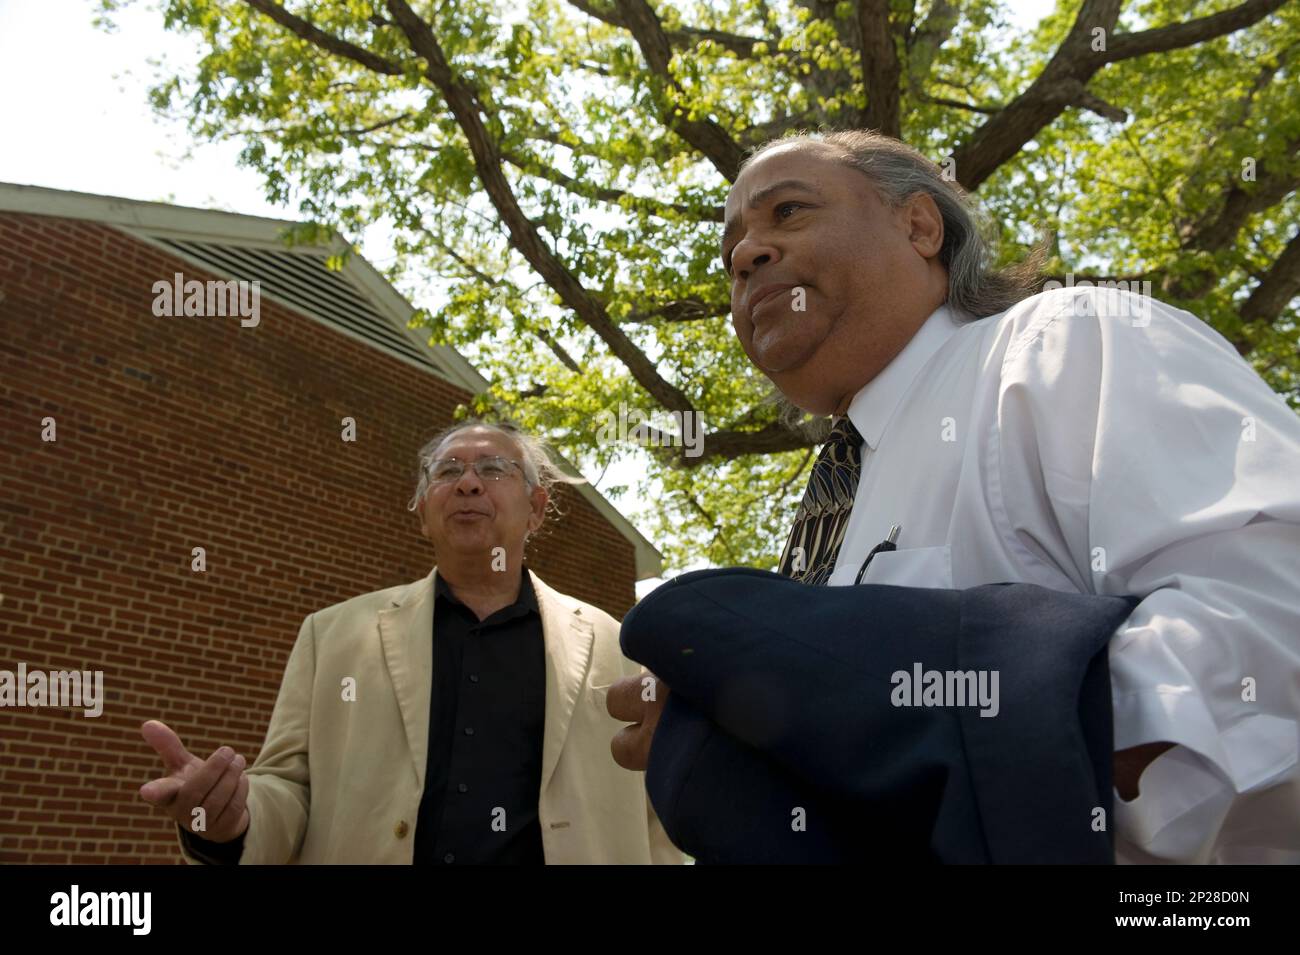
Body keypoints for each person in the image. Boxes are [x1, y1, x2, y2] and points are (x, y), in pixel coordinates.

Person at [609, 129, 1300, 864]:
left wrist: (855, 711)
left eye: (787, 211)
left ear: (920, 225)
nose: (747, 255)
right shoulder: (833, 501)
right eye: (732, 256)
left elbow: (1270, 626)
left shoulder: (1064, 342)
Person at [140, 420, 680, 864]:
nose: (468, 483)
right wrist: (233, 821)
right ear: (422, 510)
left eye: (493, 469)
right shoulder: (330, 636)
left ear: (536, 508)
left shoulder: (619, 644)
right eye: (447, 471)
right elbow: (289, 789)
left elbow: (656, 819)